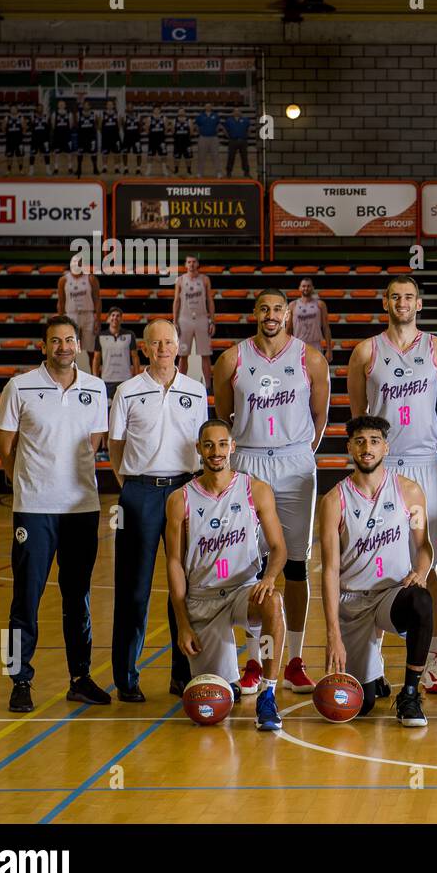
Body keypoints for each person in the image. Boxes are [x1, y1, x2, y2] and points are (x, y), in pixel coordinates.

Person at [213, 288, 331, 695]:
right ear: (254, 312)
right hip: (247, 460)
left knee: (296, 563)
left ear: (289, 314)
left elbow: (320, 416)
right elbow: (223, 416)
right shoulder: (232, 359)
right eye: (263, 308)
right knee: (251, 565)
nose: (271, 315)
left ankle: (294, 660)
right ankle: (252, 661)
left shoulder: (310, 358)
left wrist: (297, 452)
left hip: (295, 461)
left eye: (278, 309)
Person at [346, 274, 437, 694]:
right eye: (395, 296)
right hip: (383, 468)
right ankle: (370, 659)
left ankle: (432, 660)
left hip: (424, 465)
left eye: (409, 296)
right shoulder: (365, 352)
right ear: (385, 302)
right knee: (373, 558)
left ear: (419, 303)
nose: (402, 302)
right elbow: (360, 418)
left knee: (431, 567)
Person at [0, 316, 110, 713]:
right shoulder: (19, 386)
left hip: (81, 508)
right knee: (25, 598)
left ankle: (80, 678)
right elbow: (5, 446)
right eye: (55, 341)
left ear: (78, 344)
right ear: (43, 346)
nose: (63, 346)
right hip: (34, 510)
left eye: (70, 340)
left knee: (78, 598)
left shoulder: (95, 388)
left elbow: (93, 444)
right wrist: (28, 483)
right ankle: (19, 680)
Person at [165, 419, 287, 731]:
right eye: (209, 445)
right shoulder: (180, 500)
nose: (216, 451)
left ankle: (268, 692)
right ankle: (231, 677)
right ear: (199, 449)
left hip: (242, 592)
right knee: (213, 704)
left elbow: (278, 547)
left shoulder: (255, 490)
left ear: (232, 447)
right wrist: (182, 624)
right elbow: (174, 564)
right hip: (202, 599)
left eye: (222, 444)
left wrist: (269, 577)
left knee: (273, 602)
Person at [109, 320, 206, 701]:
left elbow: (202, 446)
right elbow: (116, 447)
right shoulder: (127, 391)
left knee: (184, 588)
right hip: (140, 492)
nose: (163, 348)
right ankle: (126, 678)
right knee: (134, 590)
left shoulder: (196, 391)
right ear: (145, 349)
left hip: (184, 491)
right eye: (155, 343)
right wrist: (131, 486)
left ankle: (182, 674)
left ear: (179, 346)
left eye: (169, 342)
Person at [319, 416, 436, 728]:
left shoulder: (409, 492)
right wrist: (333, 634)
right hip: (352, 602)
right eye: (359, 441)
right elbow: (329, 571)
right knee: (359, 705)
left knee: (421, 601)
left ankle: (410, 693)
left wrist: (421, 571)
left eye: (373, 441)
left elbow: (424, 545)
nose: (366, 448)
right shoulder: (334, 501)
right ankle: (373, 673)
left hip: (390, 596)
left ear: (386, 446)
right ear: (349, 448)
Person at [172, 254, 215, 391]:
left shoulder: (205, 279)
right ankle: (179, 386)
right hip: (185, 319)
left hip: (202, 319)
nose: (191, 264)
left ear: (198, 264)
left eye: (193, 262)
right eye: (188, 262)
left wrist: (212, 320)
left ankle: (208, 387)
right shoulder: (180, 280)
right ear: (185, 265)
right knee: (183, 355)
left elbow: (210, 300)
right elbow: (176, 301)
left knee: (205, 355)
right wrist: (175, 321)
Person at [58, 262, 100, 375]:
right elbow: (61, 302)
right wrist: (60, 322)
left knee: (91, 349)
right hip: (70, 315)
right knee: (71, 347)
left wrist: (98, 320)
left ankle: (93, 375)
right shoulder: (64, 280)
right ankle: (71, 374)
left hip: (88, 315)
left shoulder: (91, 278)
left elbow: (97, 300)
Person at [96, 307, 140, 399]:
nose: (115, 318)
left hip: (125, 379)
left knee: (125, 410)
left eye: (118, 316)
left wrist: (136, 377)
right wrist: (96, 378)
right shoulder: (100, 336)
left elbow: (135, 357)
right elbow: (96, 358)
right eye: (113, 315)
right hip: (107, 379)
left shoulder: (130, 334)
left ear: (121, 319)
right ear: (108, 318)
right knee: (107, 410)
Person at [288, 277, 331, 356]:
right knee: (299, 368)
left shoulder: (320, 304)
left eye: (308, 286)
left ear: (312, 288)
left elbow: (326, 327)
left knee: (316, 368)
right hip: (298, 344)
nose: (306, 288)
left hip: (315, 344)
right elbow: (288, 329)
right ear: (299, 288)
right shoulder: (292, 305)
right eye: (303, 286)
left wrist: (329, 349)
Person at [195, 103, 222, 177]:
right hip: (203, 137)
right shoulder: (200, 116)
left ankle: (218, 172)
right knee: (201, 156)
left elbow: (218, 125)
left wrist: (215, 131)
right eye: (206, 106)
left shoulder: (215, 115)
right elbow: (196, 125)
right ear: (204, 107)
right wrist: (200, 132)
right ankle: (200, 172)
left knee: (215, 155)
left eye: (209, 106)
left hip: (214, 138)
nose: (208, 107)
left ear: (211, 107)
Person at [74, 99, 99, 177]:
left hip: (91, 137)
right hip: (82, 137)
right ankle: (79, 169)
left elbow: (97, 123)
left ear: (90, 106)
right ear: (83, 106)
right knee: (79, 153)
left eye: (88, 105)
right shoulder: (78, 114)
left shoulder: (94, 114)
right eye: (85, 104)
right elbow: (76, 124)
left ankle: (95, 168)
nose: (86, 106)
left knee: (93, 153)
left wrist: (94, 131)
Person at [224, 107, 251, 177]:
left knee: (244, 157)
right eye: (235, 111)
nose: (236, 112)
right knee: (231, 157)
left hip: (243, 141)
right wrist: (229, 137)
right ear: (233, 113)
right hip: (233, 141)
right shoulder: (229, 120)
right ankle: (229, 172)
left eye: (238, 111)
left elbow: (249, 129)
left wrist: (246, 136)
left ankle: (246, 172)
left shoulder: (245, 120)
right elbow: (225, 130)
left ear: (240, 112)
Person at [49, 99, 73, 176]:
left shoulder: (69, 113)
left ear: (65, 105)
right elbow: (53, 126)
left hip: (66, 136)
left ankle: (70, 168)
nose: (61, 105)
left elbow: (71, 125)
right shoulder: (54, 114)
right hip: (57, 137)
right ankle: (56, 169)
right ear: (58, 105)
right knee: (57, 154)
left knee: (69, 153)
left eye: (63, 104)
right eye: (60, 104)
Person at [121, 103, 144, 176]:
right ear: (127, 108)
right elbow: (123, 127)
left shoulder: (138, 115)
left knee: (138, 153)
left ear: (133, 108)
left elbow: (140, 125)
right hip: (127, 137)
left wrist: (137, 133)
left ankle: (138, 169)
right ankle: (125, 169)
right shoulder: (124, 116)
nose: (130, 108)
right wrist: (128, 132)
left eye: (131, 107)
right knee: (125, 153)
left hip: (136, 137)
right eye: (128, 107)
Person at [99, 98, 121, 175]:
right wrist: (104, 133)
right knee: (105, 153)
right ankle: (104, 167)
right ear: (106, 106)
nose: (110, 105)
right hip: (106, 137)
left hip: (115, 137)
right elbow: (100, 125)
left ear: (113, 105)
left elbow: (119, 125)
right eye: (108, 104)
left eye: (111, 104)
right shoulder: (102, 114)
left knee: (117, 153)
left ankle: (117, 168)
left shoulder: (117, 113)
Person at [28, 104, 50, 176]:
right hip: (35, 139)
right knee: (32, 155)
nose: (40, 109)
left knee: (46, 154)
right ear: (36, 109)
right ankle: (31, 170)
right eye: (38, 108)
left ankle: (48, 170)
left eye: (41, 108)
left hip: (44, 140)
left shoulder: (46, 117)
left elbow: (49, 128)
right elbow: (30, 127)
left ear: (43, 109)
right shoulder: (32, 117)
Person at [146, 104, 168, 177]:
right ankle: (148, 170)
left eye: (158, 109)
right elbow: (146, 129)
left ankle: (164, 170)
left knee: (163, 156)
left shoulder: (164, 118)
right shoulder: (149, 118)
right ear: (153, 110)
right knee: (150, 156)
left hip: (161, 140)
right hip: (152, 140)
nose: (156, 111)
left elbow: (166, 129)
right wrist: (152, 135)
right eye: (155, 109)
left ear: (160, 110)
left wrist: (161, 135)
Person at [4, 105, 25, 175]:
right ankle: (8, 170)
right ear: (10, 110)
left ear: (17, 110)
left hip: (19, 141)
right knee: (9, 156)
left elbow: (24, 128)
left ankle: (21, 170)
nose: (13, 110)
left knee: (20, 156)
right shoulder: (7, 118)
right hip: (9, 141)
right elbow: (3, 128)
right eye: (12, 109)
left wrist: (21, 134)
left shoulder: (21, 118)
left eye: (14, 109)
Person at [171, 107, 192, 175]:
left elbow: (191, 131)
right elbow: (172, 131)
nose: (181, 113)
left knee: (188, 157)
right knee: (177, 158)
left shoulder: (189, 120)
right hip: (177, 142)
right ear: (178, 113)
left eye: (182, 111)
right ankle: (176, 169)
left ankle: (189, 170)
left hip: (187, 142)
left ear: (185, 112)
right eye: (180, 111)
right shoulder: (174, 120)